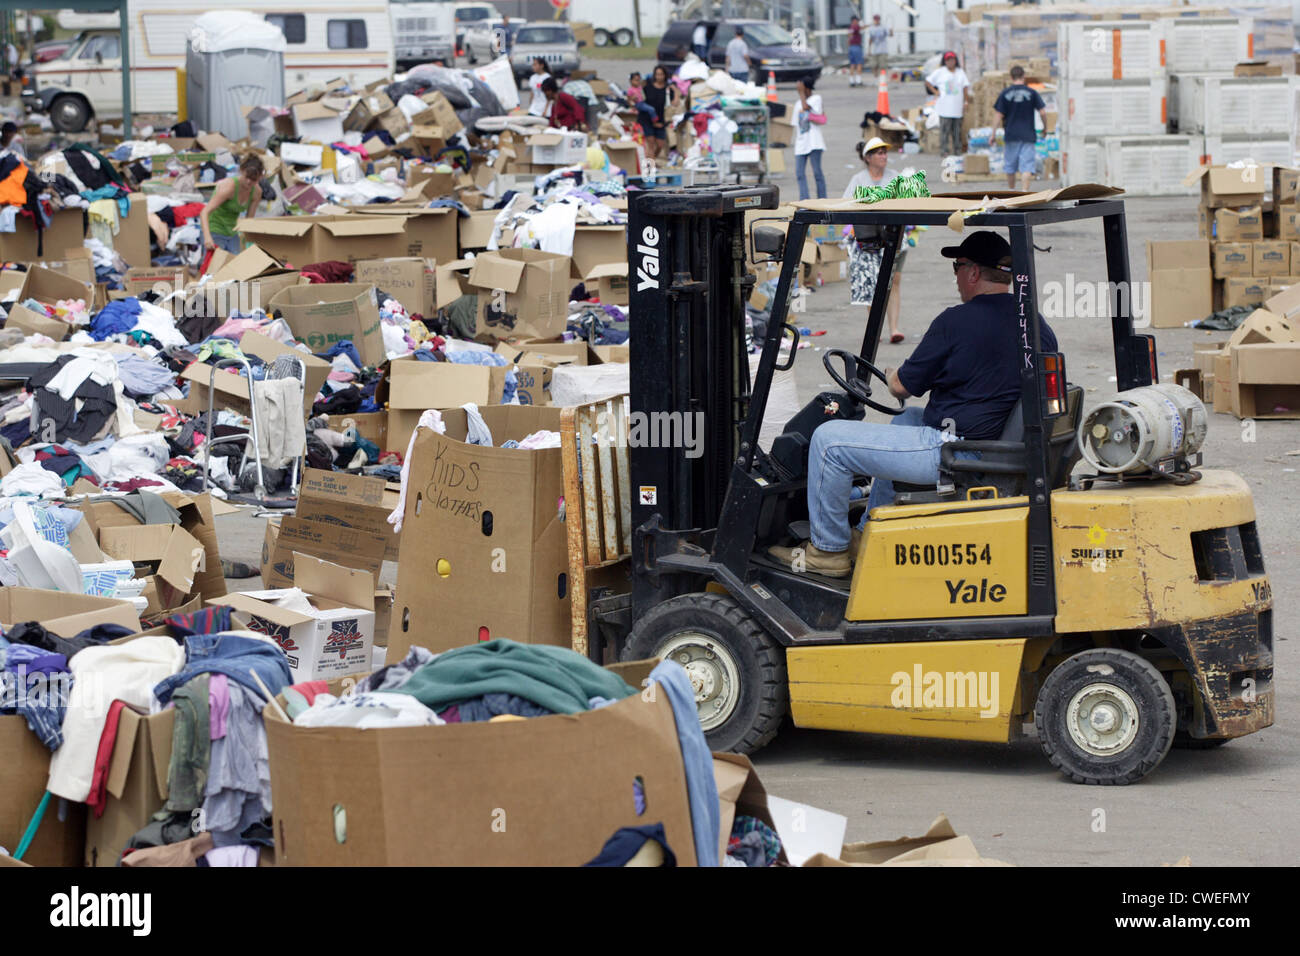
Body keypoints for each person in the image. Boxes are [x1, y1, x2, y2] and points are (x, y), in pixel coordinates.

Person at [768, 231, 1058, 577]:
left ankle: (828, 550)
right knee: (906, 421)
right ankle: (865, 533)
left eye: (957, 267)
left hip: (958, 452)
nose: (956, 276)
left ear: (974, 272)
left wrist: (892, 376)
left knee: (828, 440)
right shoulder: (1033, 322)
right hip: (992, 444)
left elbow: (903, 386)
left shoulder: (956, 321)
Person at [843, 137, 905, 343]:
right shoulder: (858, 179)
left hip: (894, 237)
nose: (884, 156)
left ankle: (894, 329)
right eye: (879, 153)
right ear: (868, 158)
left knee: (894, 281)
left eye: (885, 152)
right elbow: (846, 204)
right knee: (873, 282)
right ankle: (875, 327)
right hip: (868, 238)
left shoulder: (895, 177)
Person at [995, 65, 1047, 192]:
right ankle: (1024, 192)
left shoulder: (1005, 93)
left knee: (1010, 167)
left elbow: (998, 115)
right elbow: (1043, 112)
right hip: (1028, 134)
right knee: (1027, 167)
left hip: (1011, 134)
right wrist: (1045, 128)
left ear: (1011, 77)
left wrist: (992, 133)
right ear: (1023, 77)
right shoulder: (1032, 93)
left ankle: (1011, 191)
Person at [201, 153, 264, 255]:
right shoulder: (229, 187)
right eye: (247, 177)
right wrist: (207, 238)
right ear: (241, 171)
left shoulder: (256, 192)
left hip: (232, 231)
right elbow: (204, 212)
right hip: (214, 228)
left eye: (253, 180)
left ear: (260, 177)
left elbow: (249, 221)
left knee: (235, 264)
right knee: (214, 266)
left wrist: (249, 242)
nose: (249, 182)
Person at [925, 51, 971, 158]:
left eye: (952, 60)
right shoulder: (940, 72)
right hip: (944, 108)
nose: (950, 62)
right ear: (945, 61)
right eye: (948, 60)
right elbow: (928, 81)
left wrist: (966, 101)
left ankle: (957, 150)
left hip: (957, 108)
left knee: (957, 131)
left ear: (955, 61)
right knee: (944, 131)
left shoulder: (960, 72)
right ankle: (944, 150)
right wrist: (935, 91)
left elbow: (965, 87)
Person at [793, 74, 827, 200]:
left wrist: (802, 93)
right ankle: (804, 199)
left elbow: (806, 108)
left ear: (806, 88)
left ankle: (822, 199)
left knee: (817, 173)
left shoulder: (816, 98)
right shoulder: (797, 104)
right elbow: (796, 125)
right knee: (799, 173)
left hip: (815, 143)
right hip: (801, 143)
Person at [638, 65, 676, 161]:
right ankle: (651, 166)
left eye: (661, 74)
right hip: (647, 119)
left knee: (660, 144)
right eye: (657, 74)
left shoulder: (668, 89)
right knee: (650, 143)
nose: (659, 77)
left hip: (661, 120)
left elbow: (675, 103)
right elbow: (639, 96)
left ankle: (651, 160)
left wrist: (676, 91)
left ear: (665, 75)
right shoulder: (648, 86)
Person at [846, 17, 864, 87]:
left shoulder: (850, 28)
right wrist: (868, 25)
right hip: (856, 46)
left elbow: (848, 38)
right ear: (854, 21)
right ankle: (858, 80)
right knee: (859, 63)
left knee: (852, 64)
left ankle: (851, 81)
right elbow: (862, 28)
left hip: (851, 47)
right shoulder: (855, 27)